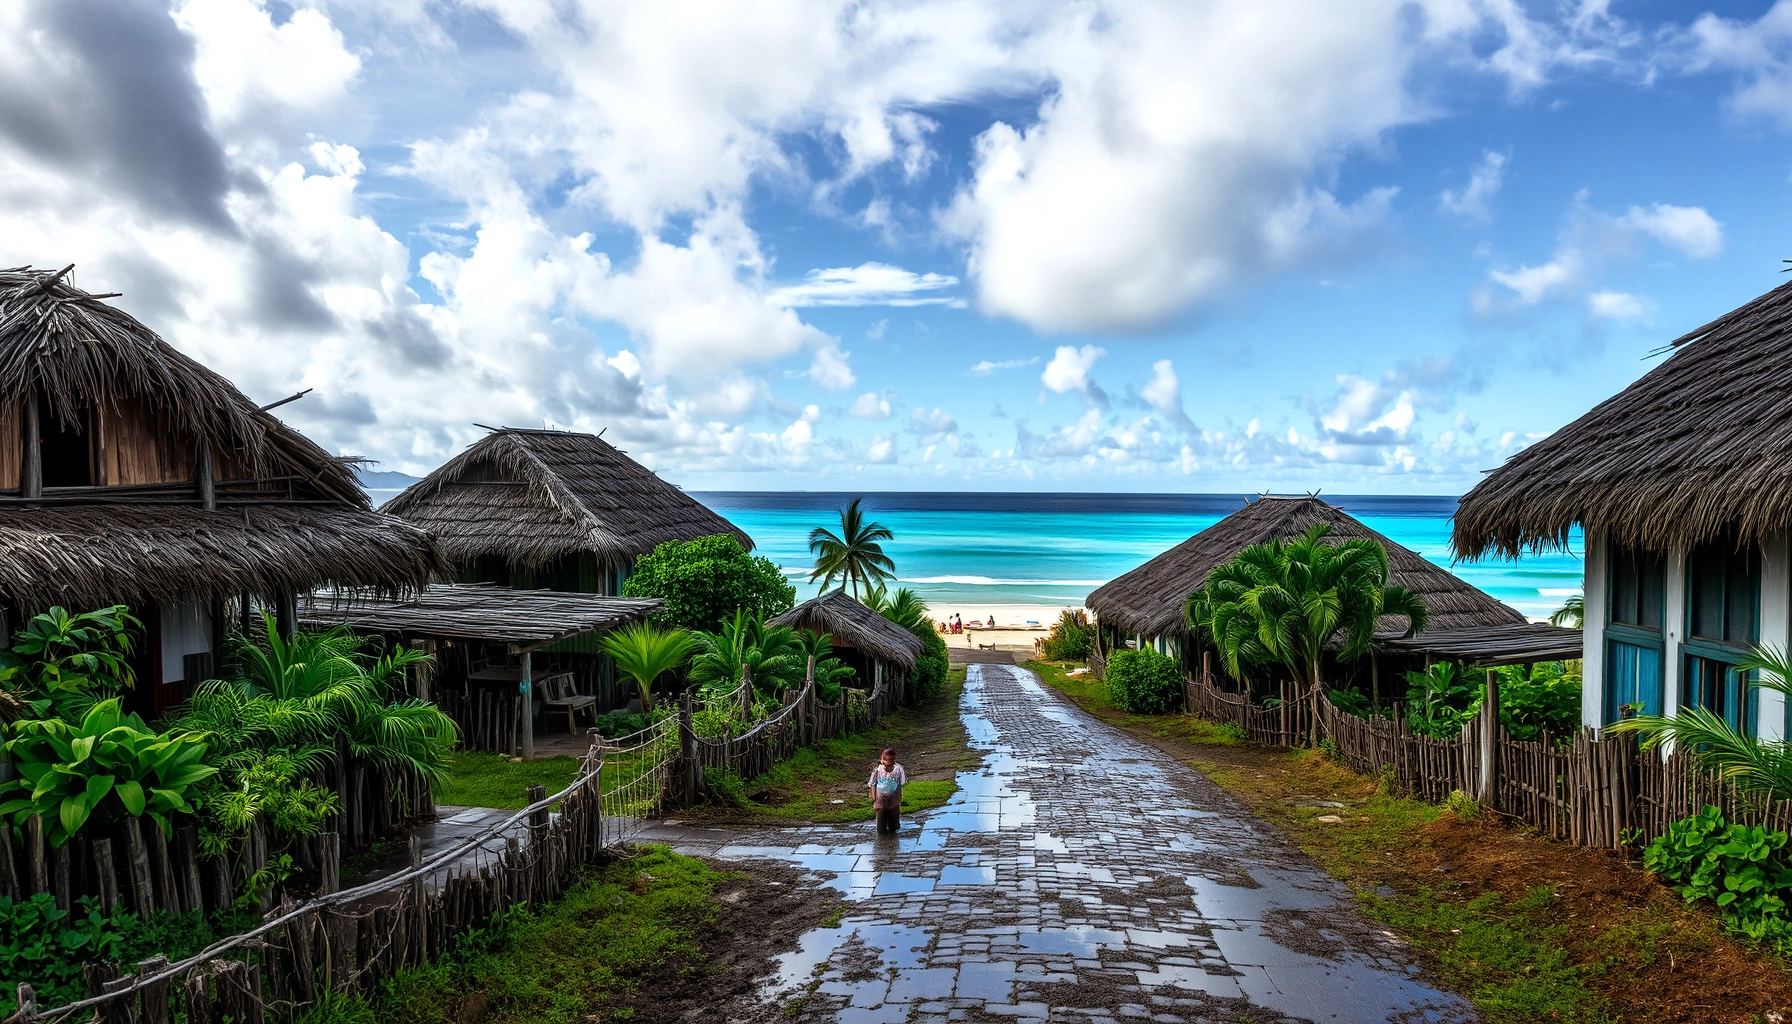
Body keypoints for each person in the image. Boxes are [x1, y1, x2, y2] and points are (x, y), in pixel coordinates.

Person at [868, 747, 906, 833]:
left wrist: (899, 798)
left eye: (891, 760)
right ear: (882, 761)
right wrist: (874, 798)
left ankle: (893, 825)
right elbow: (873, 784)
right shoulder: (877, 771)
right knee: (881, 828)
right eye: (886, 760)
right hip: (880, 799)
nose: (889, 763)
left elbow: (900, 784)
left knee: (894, 825)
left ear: (894, 761)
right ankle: (882, 826)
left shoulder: (898, 770)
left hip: (894, 798)